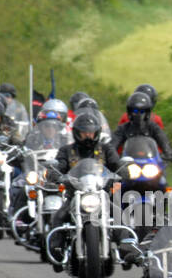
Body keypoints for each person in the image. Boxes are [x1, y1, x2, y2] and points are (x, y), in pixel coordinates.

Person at [46, 111, 122, 266]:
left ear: (97, 133)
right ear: (76, 133)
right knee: (59, 216)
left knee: (120, 215)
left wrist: (124, 170)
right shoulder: (67, 150)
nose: (88, 136)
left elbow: (117, 164)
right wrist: (55, 173)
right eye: (84, 133)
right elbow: (59, 165)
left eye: (91, 133)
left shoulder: (106, 149)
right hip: (75, 196)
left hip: (101, 195)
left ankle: (127, 246)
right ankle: (57, 249)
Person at [112, 92, 172, 159]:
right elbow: (114, 143)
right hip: (128, 163)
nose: (139, 114)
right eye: (135, 111)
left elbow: (162, 139)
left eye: (142, 111)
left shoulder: (153, 127)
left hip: (151, 162)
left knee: (162, 169)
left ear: (147, 113)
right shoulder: (123, 128)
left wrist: (168, 152)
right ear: (130, 112)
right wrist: (112, 155)